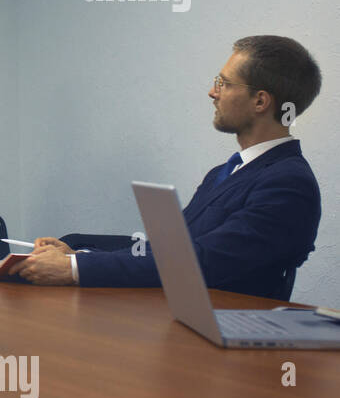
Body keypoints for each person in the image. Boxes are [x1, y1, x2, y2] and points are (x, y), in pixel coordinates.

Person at [16, 36, 322, 300]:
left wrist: (73, 269)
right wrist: (79, 251)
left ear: (260, 102)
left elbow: (197, 263)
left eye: (224, 83)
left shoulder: (289, 184)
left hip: (230, 355)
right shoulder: (224, 172)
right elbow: (170, 249)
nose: (212, 93)